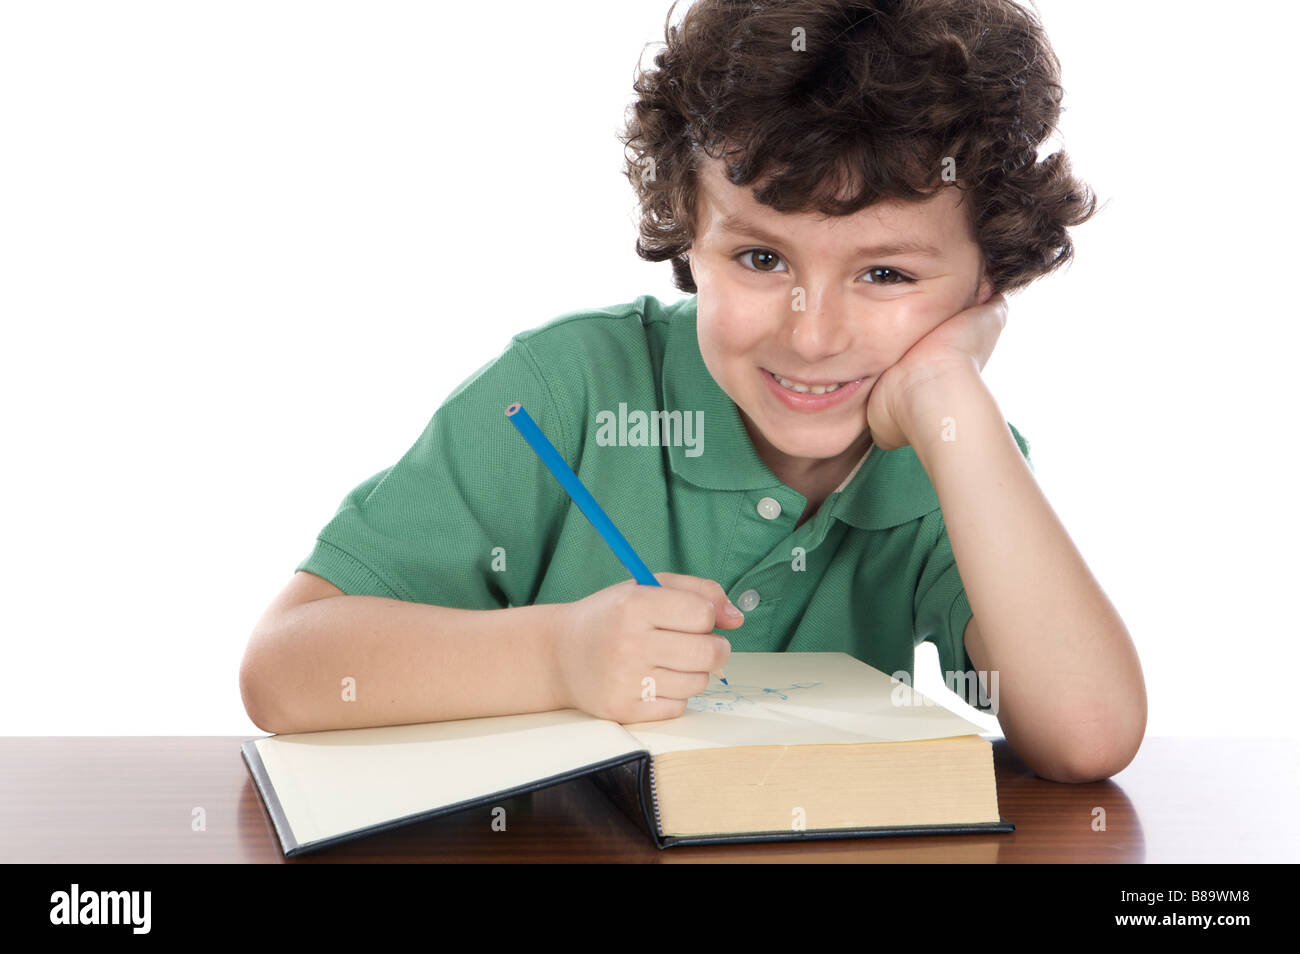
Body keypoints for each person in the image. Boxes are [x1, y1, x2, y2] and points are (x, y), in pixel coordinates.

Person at [240, 0, 1145, 783]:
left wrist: (950, 396)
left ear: (990, 278)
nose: (812, 333)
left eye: (887, 275)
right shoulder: (570, 391)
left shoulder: (959, 455)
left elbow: (1088, 733)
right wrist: (557, 657)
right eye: (760, 258)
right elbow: (284, 669)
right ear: (687, 233)